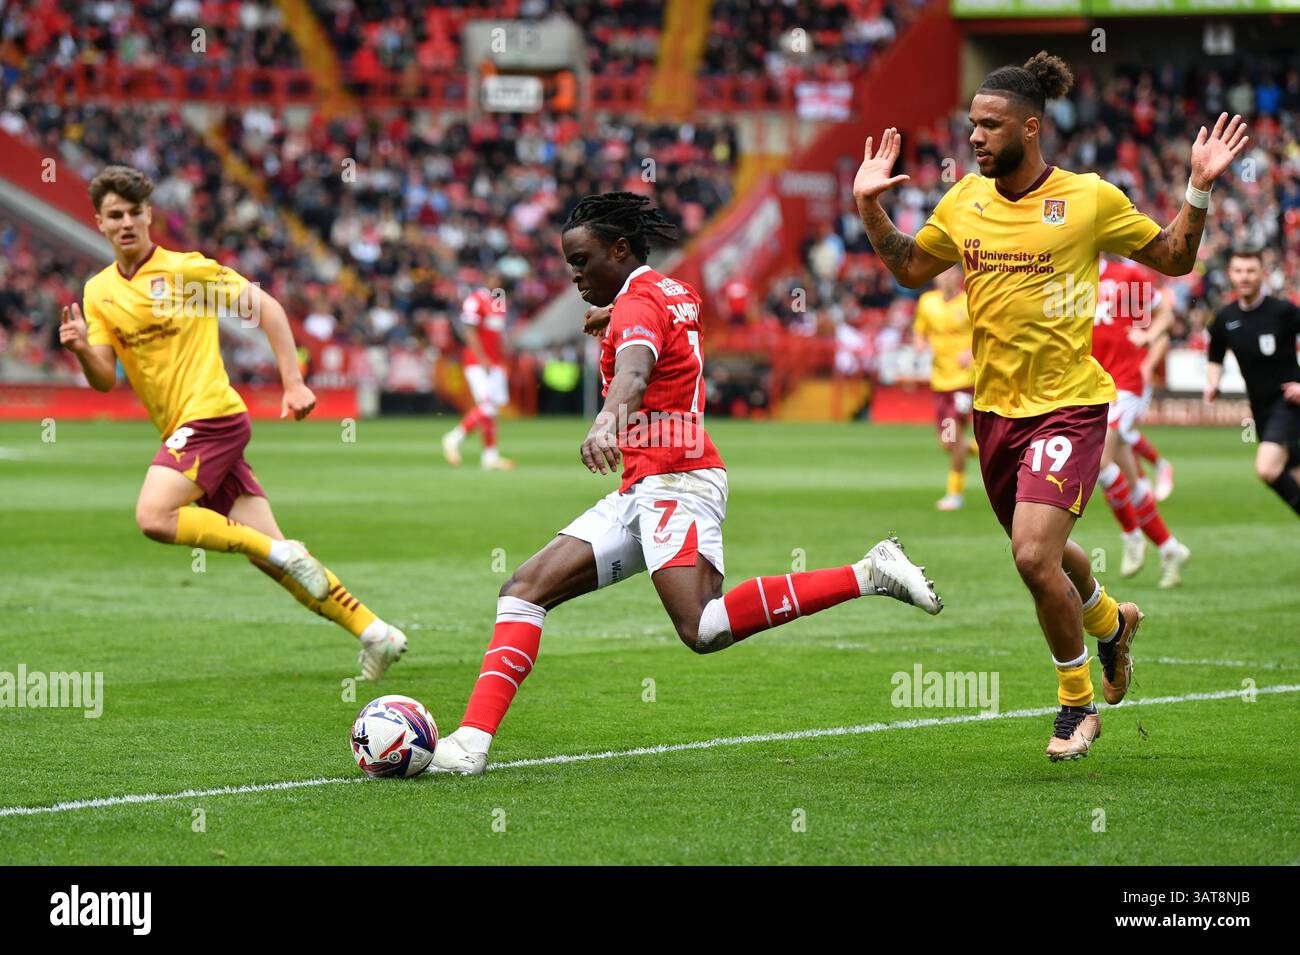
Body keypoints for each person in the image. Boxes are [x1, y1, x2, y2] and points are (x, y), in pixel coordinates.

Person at [428, 192, 942, 775]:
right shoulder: (671, 292)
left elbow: (636, 370)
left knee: (702, 627)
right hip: (648, 480)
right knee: (523, 591)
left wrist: (605, 421)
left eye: (582, 262)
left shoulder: (639, 308)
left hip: (677, 477)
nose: (574, 276)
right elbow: (667, 319)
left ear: (620, 250)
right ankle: (470, 745)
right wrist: (611, 314)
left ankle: (867, 573)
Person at [851, 52, 1247, 759]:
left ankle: (1075, 706)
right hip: (995, 411)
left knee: (1033, 556)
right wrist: (868, 205)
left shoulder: (1089, 198)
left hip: (1071, 405)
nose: (974, 137)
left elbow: (1174, 258)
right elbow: (911, 268)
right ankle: (1113, 625)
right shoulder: (963, 200)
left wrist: (1197, 189)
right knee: (1051, 553)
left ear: (1031, 128)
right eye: (971, 124)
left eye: (990, 125)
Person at [59, 165, 407, 680]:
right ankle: (375, 633)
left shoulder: (184, 271)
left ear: (149, 214)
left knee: (154, 516)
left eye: (135, 212)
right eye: (116, 215)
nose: (127, 222)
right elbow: (104, 380)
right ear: (100, 223)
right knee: (274, 561)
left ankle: (279, 550)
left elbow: (266, 307)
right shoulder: (99, 292)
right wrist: (83, 350)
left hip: (213, 416)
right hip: (186, 430)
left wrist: (293, 381)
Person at [1092, 255, 1191, 586]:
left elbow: (1165, 312)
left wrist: (1150, 338)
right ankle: (1170, 549)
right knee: (1132, 485)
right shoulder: (1070, 272)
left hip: (1126, 383)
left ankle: (1131, 536)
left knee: (1099, 462)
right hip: (1094, 386)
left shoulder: (1128, 274)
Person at [1204, 249, 1300, 516]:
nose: (1244, 277)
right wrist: (1213, 383)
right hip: (1260, 409)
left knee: (1267, 468)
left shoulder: (1282, 311)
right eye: (1238, 271)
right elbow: (1215, 356)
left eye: (1250, 271)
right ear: (1230, 275)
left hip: (1289, 402)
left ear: (1262, 274)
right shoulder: (1225, 318)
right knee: (1292, 473)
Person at [912, 267, 975, 510]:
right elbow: (919, 331)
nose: (946, 278)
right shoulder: (927, 302)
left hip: (965, 380)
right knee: (947, 442)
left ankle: (955, 494)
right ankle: (978, 448)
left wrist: (970, 352)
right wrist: (919, 345)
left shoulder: (969, 302)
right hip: (940, 380)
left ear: (959, 278)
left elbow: (985, 333)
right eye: (942, 274)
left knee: (954, 434)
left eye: (951, 274)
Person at [442, 276, 516, 471]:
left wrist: (502, 360)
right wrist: (482, 357)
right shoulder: (475, 299)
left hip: (494, 364)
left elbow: (498, 336)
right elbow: (469, 331)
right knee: (486, 405)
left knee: (491, 410)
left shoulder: (498, 304)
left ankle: (490, 457)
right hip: (477, 362)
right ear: (489, 281)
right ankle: (453, 438)